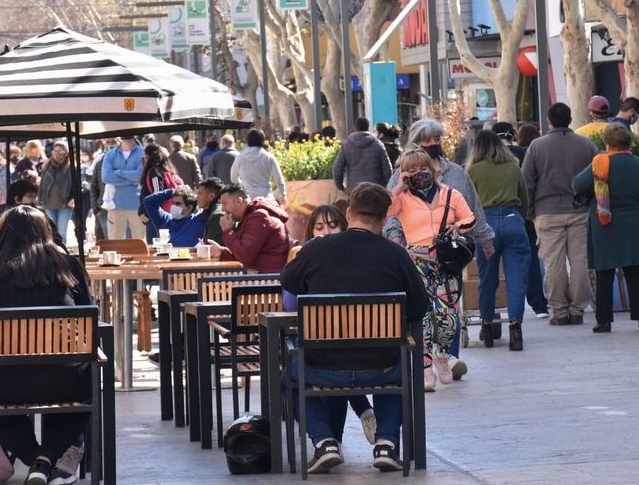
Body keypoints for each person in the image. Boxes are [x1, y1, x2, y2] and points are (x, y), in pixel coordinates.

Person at [280, 183, 428, 474]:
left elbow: (289, 281)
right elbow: (419, 307)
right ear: (384, 219)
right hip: (381, 368)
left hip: (322, 367)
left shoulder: (316, 249)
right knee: (398, 362)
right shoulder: (396, 255)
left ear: (348, 213)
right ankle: (386, 443)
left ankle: (324, 441)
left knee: (288, 380)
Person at [0, 206, 94, 484]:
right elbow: (86, 311)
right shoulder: (68, 265)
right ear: (46, 231)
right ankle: (44, 461)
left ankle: (36, 459)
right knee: (87, 387)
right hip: (64, 379)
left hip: (0, 383)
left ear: (2, 235)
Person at [384, 118, 484, 379]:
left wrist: (461, 227)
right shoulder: (402, 195)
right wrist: (399, 187)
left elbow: (471, 216)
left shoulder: (452, 189)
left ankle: (443, 354)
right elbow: (385, 212)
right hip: (416, 262)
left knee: (448, 315)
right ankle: (426, 367)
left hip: (445, 261)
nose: (420, 173)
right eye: (413, 170)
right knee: (424, 316)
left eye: (423, 168)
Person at [572, 124, 639, 332]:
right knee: (634, 272)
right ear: (628, 142)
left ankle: (604, 321)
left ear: (607, 143)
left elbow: (578, 184)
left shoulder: (600, 163)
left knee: (604, 274)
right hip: (633, 224)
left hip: (604, 225)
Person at [524, 103, 598, 325]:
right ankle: (577, 309)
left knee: (553, 263)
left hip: (546, 212)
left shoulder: (536, 146)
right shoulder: (586, 145)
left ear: (549, 122)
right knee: (579, 261)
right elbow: (598, 174)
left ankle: (559, 311)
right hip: (579, 211)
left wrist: (530, 212)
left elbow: (527, 182)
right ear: (570, 119)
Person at [467, 130, 531, 350]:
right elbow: (524, 199)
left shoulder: (474, 170)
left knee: (488, 278)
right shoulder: (513, 167)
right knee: (516, 278)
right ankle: (516, 327)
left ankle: (487, 326)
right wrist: (519, 219)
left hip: (486, 223)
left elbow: (469, 203)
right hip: (513, 219)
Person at [495, 122, 549, 319]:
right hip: (524, 214)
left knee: (493, 265)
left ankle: (493, 308)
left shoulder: (486, 159)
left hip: (494, 216)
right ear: (513, 137)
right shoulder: (526, 153)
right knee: (531, 259)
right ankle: (539, 305)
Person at [206, 184, 290, 273]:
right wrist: (222, 252)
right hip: (259, 274)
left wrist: (227, 231)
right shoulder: (250, 217)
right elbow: (244, 254)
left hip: (268, 277)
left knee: (208, 279)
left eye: (224, 204)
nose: (222, 209)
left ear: (239, 201)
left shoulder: (259, 217)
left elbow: (245, 256)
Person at [332, 117, 393, 192]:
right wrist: (384, 186)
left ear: (355, 129)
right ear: (368, 128)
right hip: (375, 190)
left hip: (354, 191)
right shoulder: (378, 144)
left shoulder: (346, 145)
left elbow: (337, 169)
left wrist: (341, 187)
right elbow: (387, 169)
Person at [101, 135, 145, 240]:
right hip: (115, 206)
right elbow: (106, 177)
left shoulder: (143, 153)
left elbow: (140, 175)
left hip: (138, 206)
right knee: (115, 244)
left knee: (140, 244)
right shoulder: (110, 154)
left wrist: (119, 172)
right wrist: (131, 180)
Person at [142, 185, 209, 248]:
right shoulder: (165, 220)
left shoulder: (199, 221)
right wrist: (171, 192)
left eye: (178, 204)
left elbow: (210, 201)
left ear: (189, 208)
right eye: (173, 203)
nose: (174, 206)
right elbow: (148, 202)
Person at [230, 129, 286, 202]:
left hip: (247, 199)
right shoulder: (268, 157)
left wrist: (242, 185)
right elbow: (279, 178)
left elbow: (233, 178)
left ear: (248, 141)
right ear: (262, 140)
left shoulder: (239, 158)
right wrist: (283, 195)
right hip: (266, 198)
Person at [38, 140, 75, 241]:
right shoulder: (47, 166)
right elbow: (42, 185)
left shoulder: (70, 167)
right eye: (55, 151)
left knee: (62, 232)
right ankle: (53, 250)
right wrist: (40, 200)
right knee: (51, 232)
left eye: (60, 151)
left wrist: (73, 198)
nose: (57, 153)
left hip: (65, 204)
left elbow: (76, 185)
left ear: (66, 153)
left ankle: (62, 250)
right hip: (49, 204)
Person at [196, 178, 225, 243]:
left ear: (211, 196)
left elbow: (213, 247)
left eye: (200, 194)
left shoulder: (217, 216)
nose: (196, 198)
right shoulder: (209, 213)